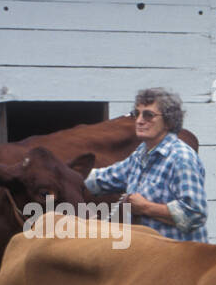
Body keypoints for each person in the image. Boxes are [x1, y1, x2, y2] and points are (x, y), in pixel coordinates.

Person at [84, 88, 207, 241]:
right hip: (150, 256)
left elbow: (195, 215)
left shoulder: (181, 158)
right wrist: (64, 174)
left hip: (179, 259)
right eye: (137, 114)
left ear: (168, 122)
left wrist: (146, 207)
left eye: (148, 115)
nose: (139, 120)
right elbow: (105, 178)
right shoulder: (141, 154)